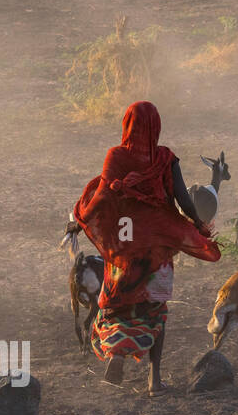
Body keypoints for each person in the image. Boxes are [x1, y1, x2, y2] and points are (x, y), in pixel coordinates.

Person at [73, 101, 220, 396]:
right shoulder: (166, 159)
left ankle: (115, 355)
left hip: (123, 250)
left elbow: (102, 197)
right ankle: (154, 380)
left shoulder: (115, 156)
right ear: (157, 126)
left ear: (126, 124)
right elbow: (183, 200)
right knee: (156, 309)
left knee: (118, 304)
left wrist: (81, 218)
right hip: (158, 249)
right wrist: (198, 224)